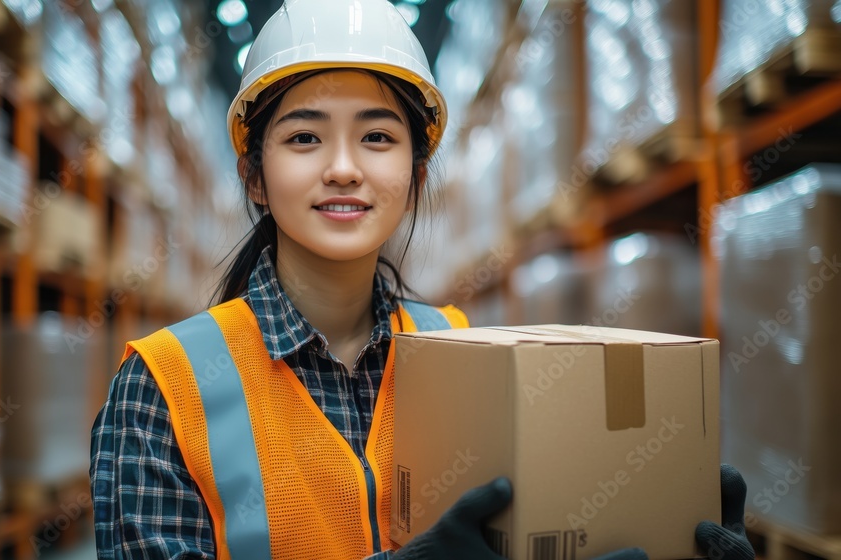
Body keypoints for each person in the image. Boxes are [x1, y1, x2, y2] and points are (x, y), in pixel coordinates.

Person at [90, 1, 757, 559]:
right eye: (304, 139)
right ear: (254, 178)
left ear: (417, 177)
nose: (344, 168)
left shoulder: (465, 352)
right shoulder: (164, 388)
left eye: (378, 137)